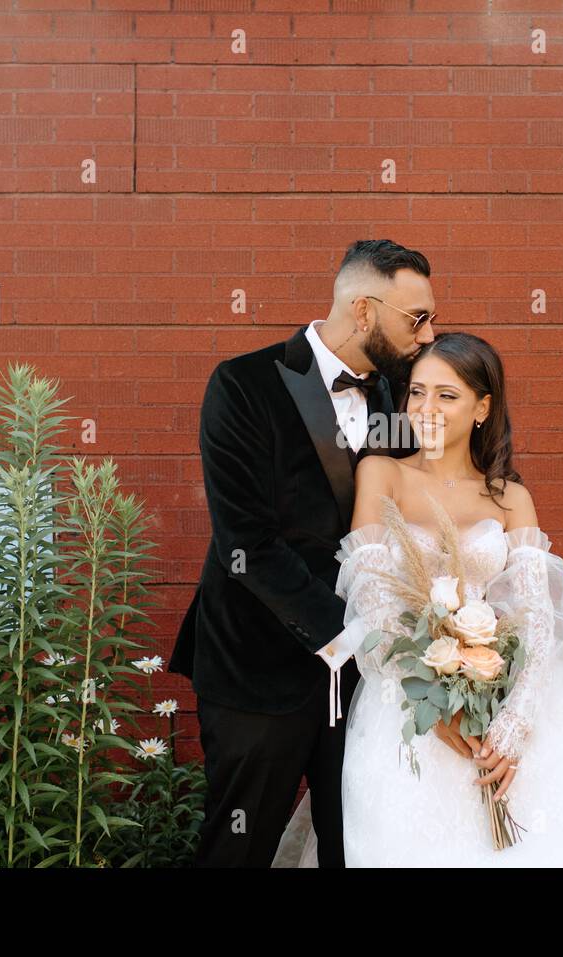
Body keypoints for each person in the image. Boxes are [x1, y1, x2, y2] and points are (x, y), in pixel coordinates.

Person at [272, 332, 563, 867]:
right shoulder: (381, 473)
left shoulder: (510, 497)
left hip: (504, 699)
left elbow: (535, 616)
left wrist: (515, 723)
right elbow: (372, 597)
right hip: (406, 707)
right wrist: (427, 699)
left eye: (446, 395)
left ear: (482, 407)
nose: (425, 408)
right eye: (416, 392)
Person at [169, 239, 437, 866]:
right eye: (416, 317)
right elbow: (250, 546)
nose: (429, 336)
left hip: (369, 686)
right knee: (240, 847)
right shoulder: (242, 385)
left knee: (358, 846)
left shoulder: (401, 399)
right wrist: (361, 640)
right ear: (364, 311)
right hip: (258, 668)